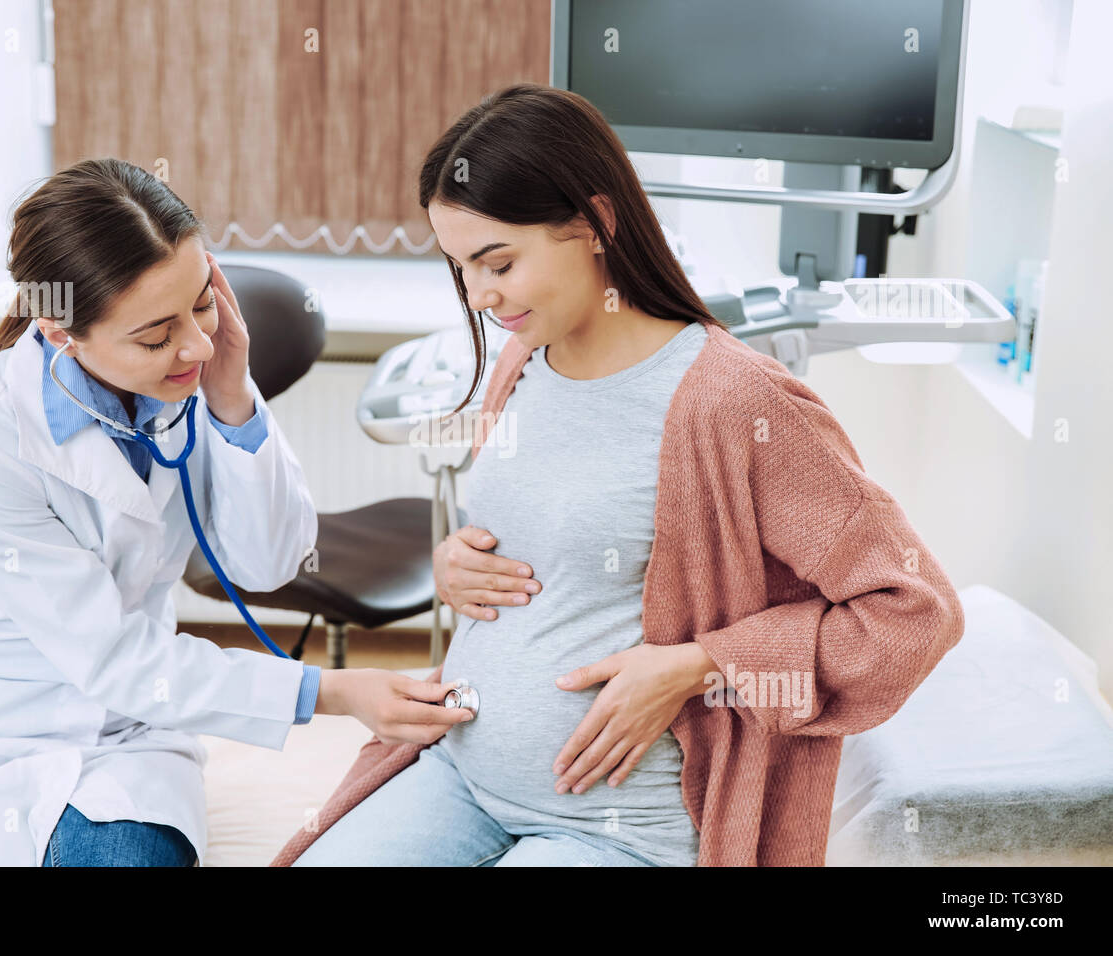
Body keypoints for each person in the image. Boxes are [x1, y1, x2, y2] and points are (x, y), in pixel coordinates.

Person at [282, 84, 963, 867]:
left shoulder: (736, 404)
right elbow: (560, 547)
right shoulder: (521, 360)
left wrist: (698, 666)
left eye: (498, 262)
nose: (479, 297)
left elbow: (915, 612)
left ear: (594, 222)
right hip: (459, 775)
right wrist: (453, 569)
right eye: (460, 267)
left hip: (620, 828)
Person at [0, 158, 472, 867]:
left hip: (129, 734)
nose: (197, 345)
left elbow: (268, 563)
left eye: (203, 302)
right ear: (60, 332)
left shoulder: (194, 386)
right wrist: (334, 692)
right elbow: (111, 655)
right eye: (155, 334)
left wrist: (234, 401)